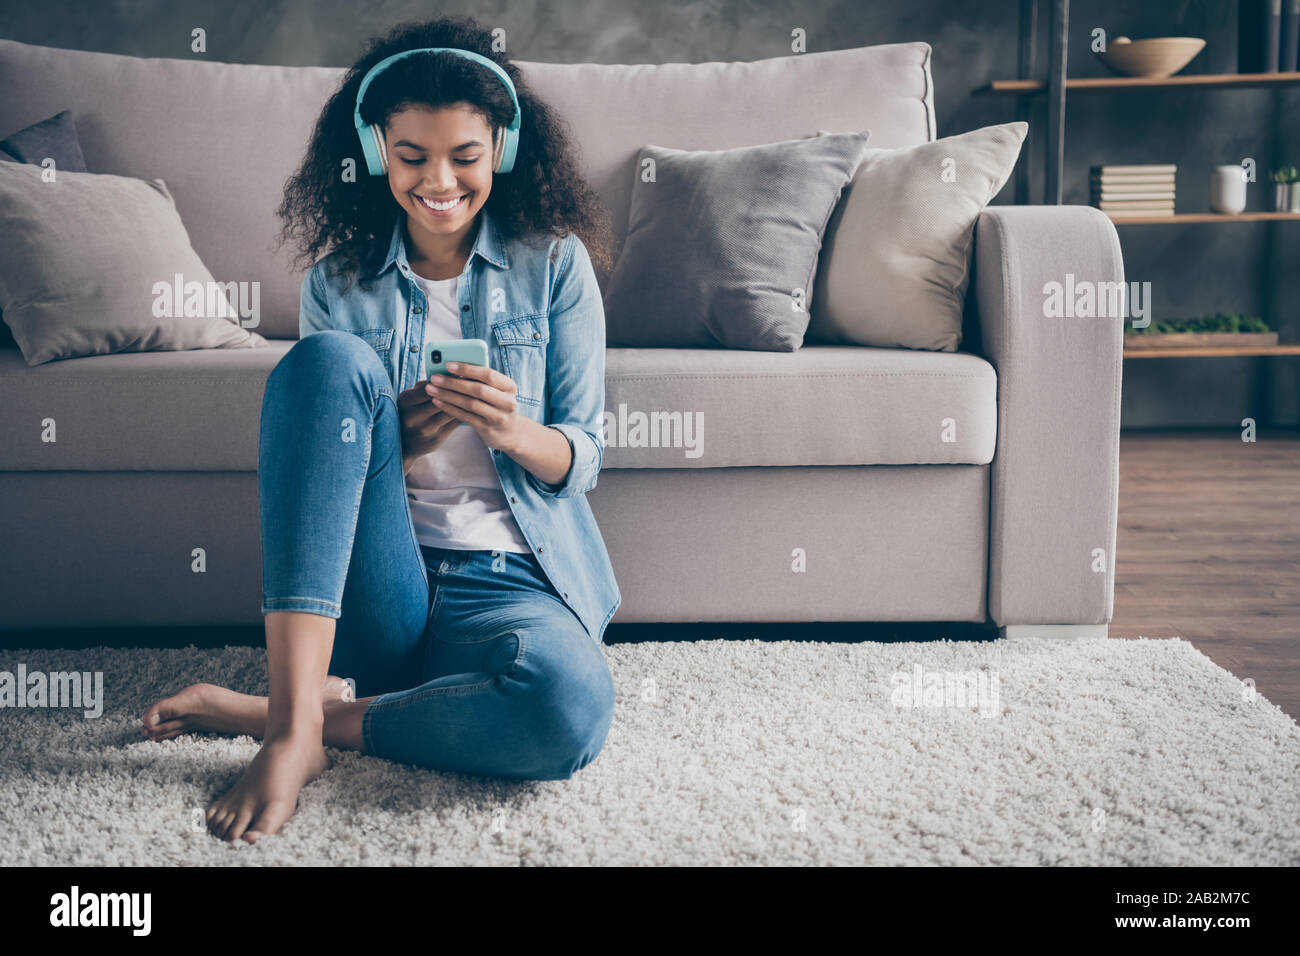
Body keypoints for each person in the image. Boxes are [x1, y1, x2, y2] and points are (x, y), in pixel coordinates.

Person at [141, 15, 621, 844]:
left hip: (511, 582)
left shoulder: (555, 265)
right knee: (325, 362)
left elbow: (581, 458)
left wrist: (509, 429)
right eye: (412, 157)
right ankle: (296, 734)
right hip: (382, 584)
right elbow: (329, 464)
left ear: (500, 151)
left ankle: (290, 714)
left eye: (465, 158)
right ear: (375, 154)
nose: (440, 180)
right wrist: (400, 434)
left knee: (568, 710)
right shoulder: (340, 282)